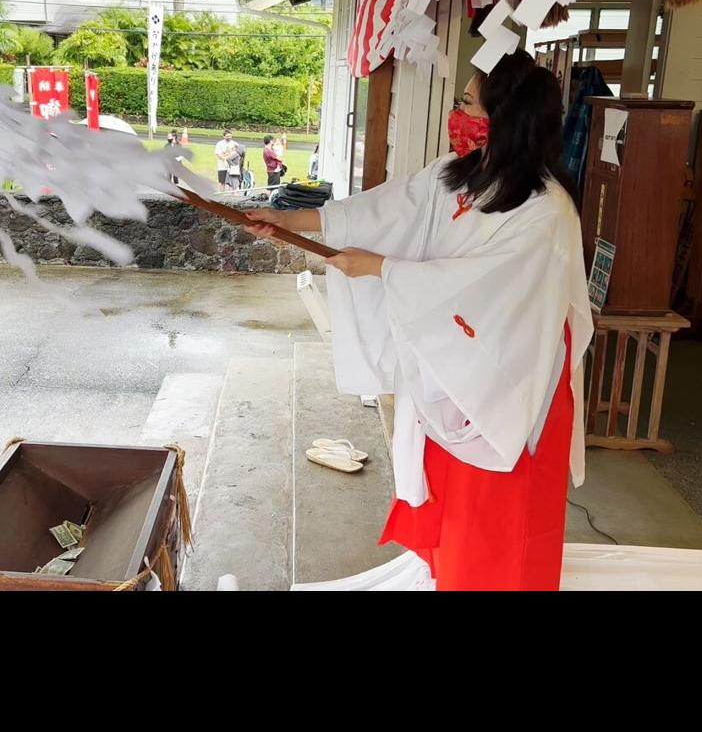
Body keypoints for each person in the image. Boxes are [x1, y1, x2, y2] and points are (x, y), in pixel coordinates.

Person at [243, 56, 592, 591]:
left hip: (509, 377)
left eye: (468, 104)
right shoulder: (459, 175)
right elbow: (386, 211)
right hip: (452, 367)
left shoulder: (546, 208)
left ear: (507, 116)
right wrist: (290, 219)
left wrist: (384, 269)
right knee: (453, 511)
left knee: (501, 523)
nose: (458, 115)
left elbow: (492, 287)